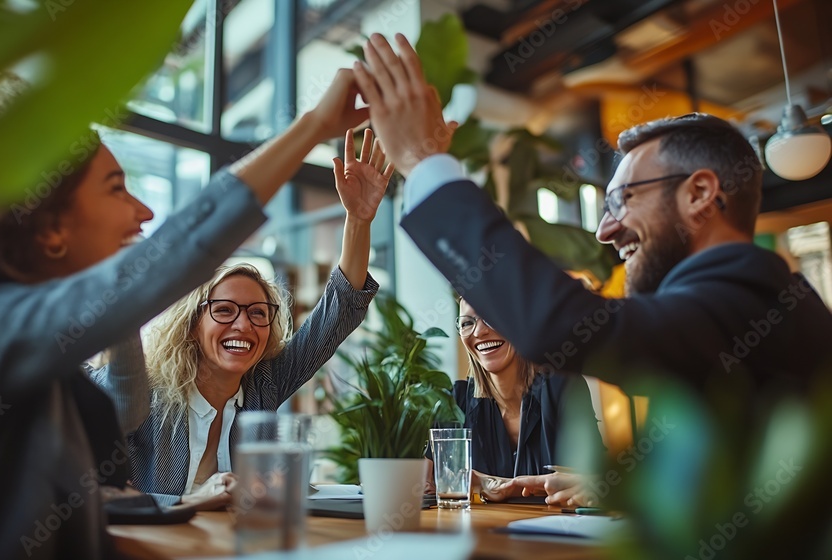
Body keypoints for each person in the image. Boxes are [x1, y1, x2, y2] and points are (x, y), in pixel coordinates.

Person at [0, 68, 370, 560]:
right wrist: (314, 126)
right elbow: (167, 264)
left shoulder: (34, 365)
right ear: (49, 227)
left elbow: (87, 511)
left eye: (259, 314)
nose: (144, 211)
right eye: (116, 189)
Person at [350, 33, 832, 519]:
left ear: (699, 194)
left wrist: (423, 163)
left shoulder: (744, 295)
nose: (605, 231)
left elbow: (559, 324)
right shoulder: (745, 300)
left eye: (623, 201)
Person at [93, 129, 391, 503]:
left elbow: (342, 307)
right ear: (192, 325)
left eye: (258, 313)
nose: (243, 325)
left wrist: (360, 220)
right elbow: (102, 493)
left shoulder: (263, 384)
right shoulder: (145, 390)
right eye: (224, 310)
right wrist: (191, 501)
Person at [425, 298, 603, 503]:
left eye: (492, 317)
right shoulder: (454, 402)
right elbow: (424, 487)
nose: (479, 332)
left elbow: (596, 483)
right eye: (467, 323)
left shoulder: (564, 388)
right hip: (479, 533)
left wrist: (490, 483)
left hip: (554, 533)